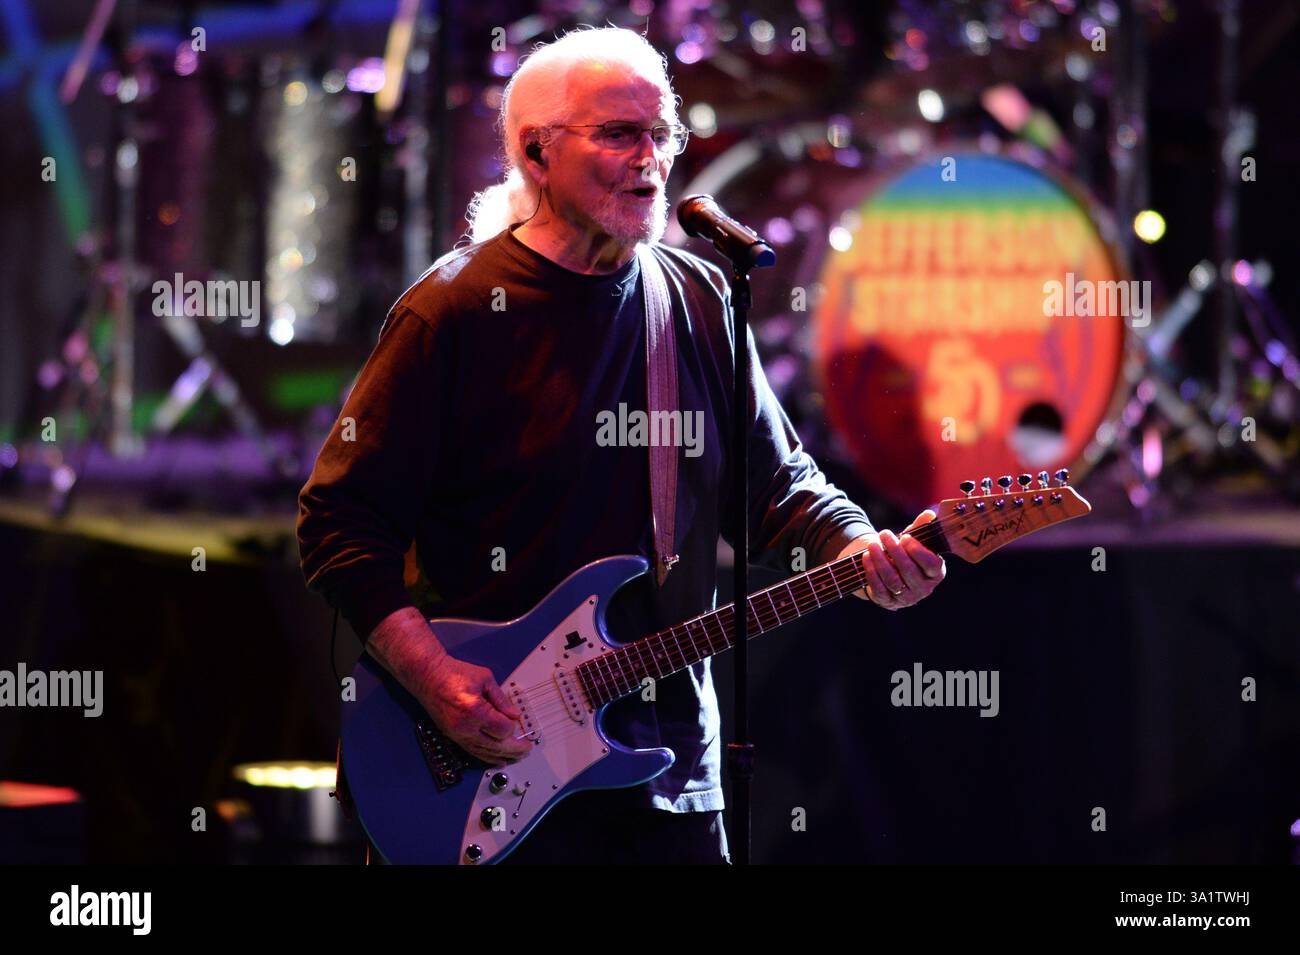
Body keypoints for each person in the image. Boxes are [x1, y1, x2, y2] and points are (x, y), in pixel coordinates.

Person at [296, 26, 945, 865]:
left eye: (662, 133)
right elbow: (339, 524)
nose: (652, 158)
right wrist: (434, 677)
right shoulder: (451, 313)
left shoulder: (701, 298)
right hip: (487, 763)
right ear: (536, 153)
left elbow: (778, 486)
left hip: (670, 770)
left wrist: (862, 549)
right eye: (619, 134)